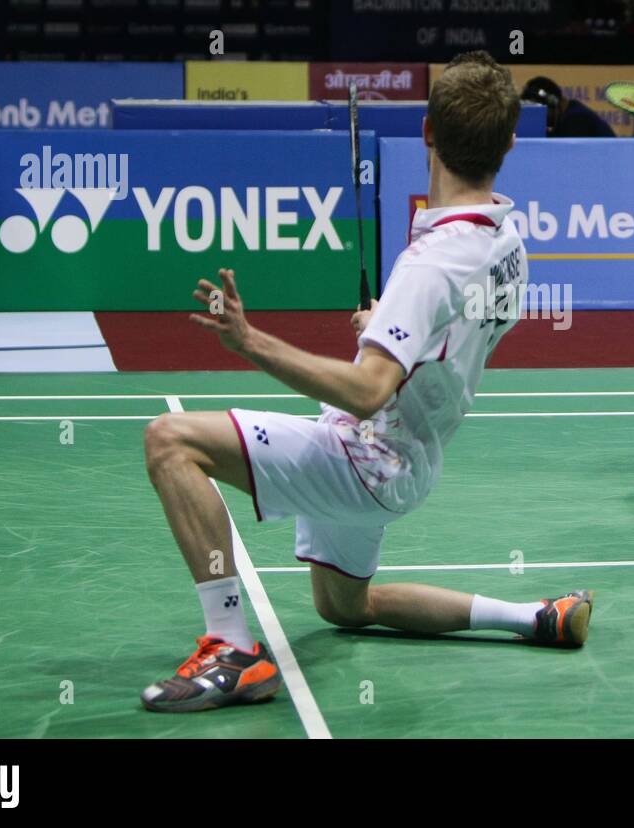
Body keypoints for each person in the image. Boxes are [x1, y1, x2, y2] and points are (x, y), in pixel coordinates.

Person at [139, 51, 593, 713]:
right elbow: (454, 332)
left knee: (171, 442)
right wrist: (391, 328)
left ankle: (232, 649)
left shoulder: (431, 265)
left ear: (427, 132)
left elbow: (367, 391)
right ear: (511, 145)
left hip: (363, 457)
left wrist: (249, 340)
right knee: (345, 609)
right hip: (413, 462)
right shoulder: (506, 241)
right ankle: (534, 617)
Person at [521, 76, 616, 137]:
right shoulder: (568, 115)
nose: (538, 117)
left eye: (542, 110)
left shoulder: (578, 120)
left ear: (555, 104)